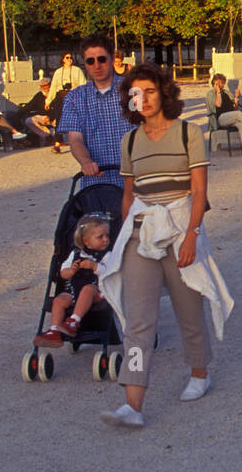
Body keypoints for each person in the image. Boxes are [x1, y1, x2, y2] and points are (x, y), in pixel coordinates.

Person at [97, 64, 233, 428]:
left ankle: (200, 372)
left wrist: (191, 235)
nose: (142, 99)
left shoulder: (188, 132)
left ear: (163, 94)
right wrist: (126, 238)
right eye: (135, 93)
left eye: (149, 91)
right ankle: (133, 404)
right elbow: (128, 196)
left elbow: (200, 191)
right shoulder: (130, 141)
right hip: (142, 234)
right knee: (138, 323)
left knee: (189, 310)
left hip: (179, 229)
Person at [57, 34, 133, 189]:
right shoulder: (74, 98)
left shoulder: (132, 91)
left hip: (134, 181)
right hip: (96, 183)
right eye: (90, 61)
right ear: (85, 64)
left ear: (112, 59)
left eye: (102, 59)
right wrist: (86, 162)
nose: (97, 66)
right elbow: (75, 139)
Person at [34, 215, 113, 347]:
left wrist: (95, 266)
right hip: (73, 290)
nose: (106, 240)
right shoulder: (75, 253)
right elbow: (63, 272)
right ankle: (54, 331)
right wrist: (71, 271)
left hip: (98, 291)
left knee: (87, 290)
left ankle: (73, 322)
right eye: (100, 237)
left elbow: (112, 273)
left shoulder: (107, 255)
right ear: (86, 241)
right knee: (59, 300)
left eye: (107, 235)